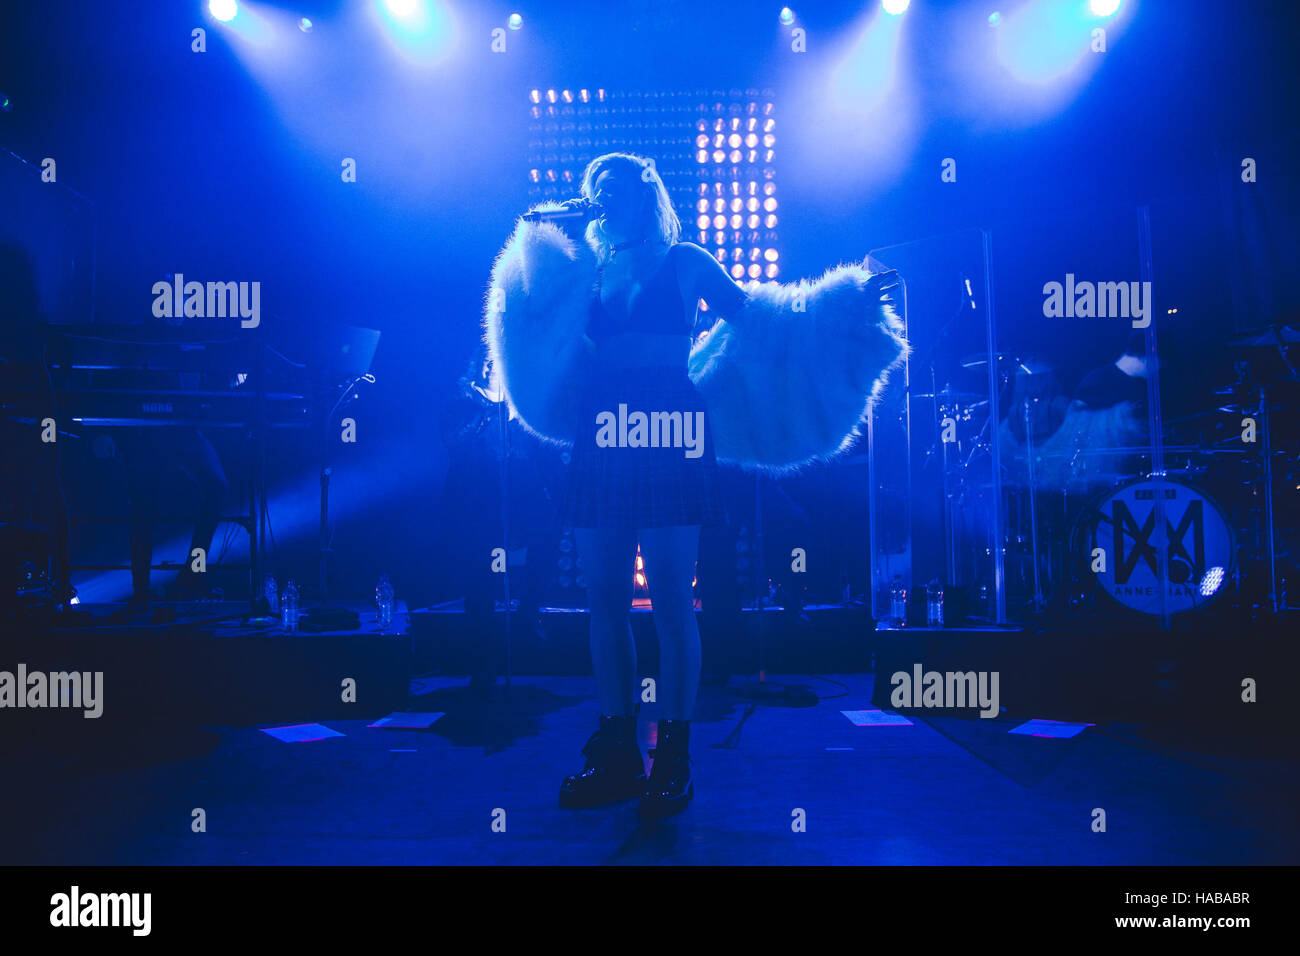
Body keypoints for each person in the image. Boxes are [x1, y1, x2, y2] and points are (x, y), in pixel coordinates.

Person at [486, 151, 907, 819]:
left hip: (669, 427)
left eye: (614, 187)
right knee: (603, 599)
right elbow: (539, 324)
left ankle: (673, 760)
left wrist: (845, 303)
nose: (602, 198)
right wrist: (536, 234)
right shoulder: (589, 272)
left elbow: (769, 322)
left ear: (644, 192)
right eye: (594, 190)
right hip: (606, 428)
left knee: (676, 605)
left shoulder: (686, 260)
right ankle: (619, 749)